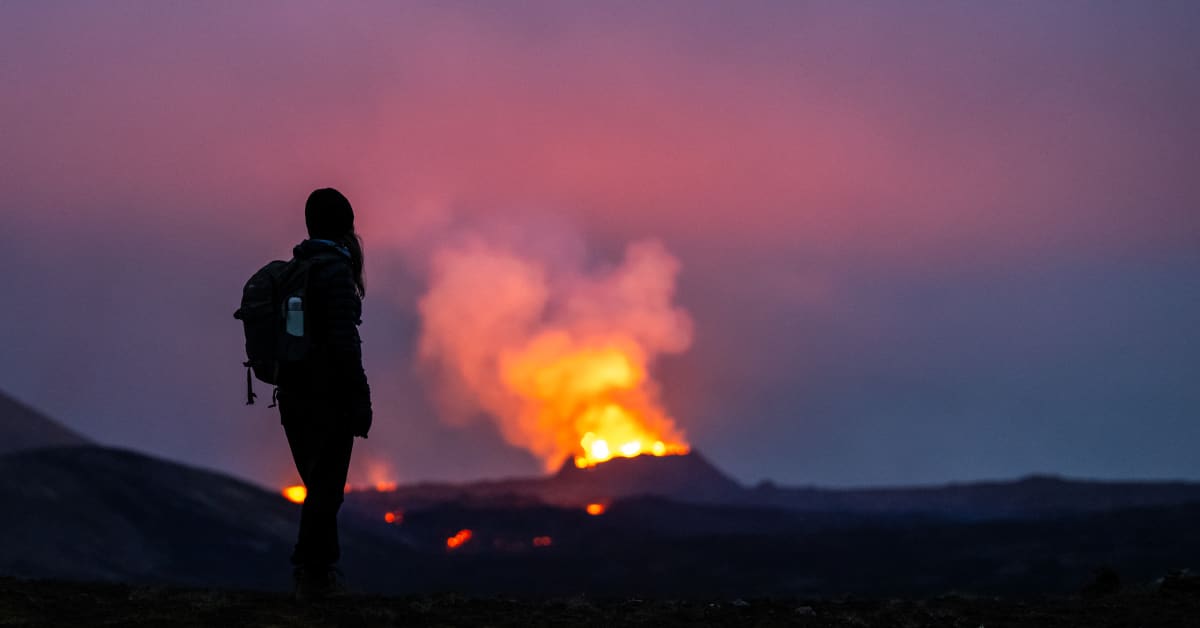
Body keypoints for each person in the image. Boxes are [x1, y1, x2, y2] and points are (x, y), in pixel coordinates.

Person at [277, 187, 372, 599]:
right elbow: (344, 341)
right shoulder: (335, 272)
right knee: (326, 489)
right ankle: (313, 577)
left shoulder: (295, 270)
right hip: (327, 396)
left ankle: (315, 577)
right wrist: (360, 398)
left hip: (292, 394)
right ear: (344, 225)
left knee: (318, 485)